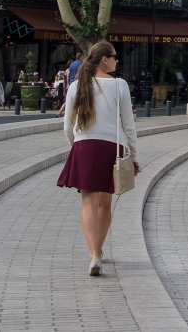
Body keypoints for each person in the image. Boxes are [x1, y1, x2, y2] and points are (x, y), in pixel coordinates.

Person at [56, 41, 138, 277]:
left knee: (88, 203)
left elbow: (67, 127)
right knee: (105, 203)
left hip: (84, 146)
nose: (117, 60)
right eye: (114, 57)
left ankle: (93, 255)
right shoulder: (120, 85)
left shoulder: (76, 86)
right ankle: (99, 250)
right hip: (112, 148)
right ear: (104, 59)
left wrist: (77, 147)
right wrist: (134, 155)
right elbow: (128, 126)